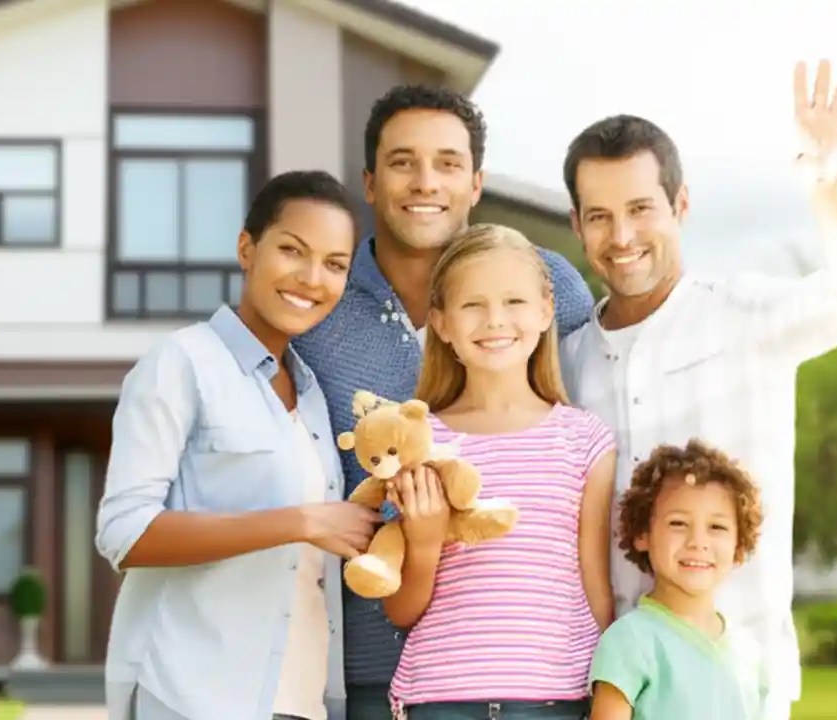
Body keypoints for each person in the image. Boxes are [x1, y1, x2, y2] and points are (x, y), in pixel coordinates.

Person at [559, 60, 837, 720]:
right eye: (600, 216)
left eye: (640, 209)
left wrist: (828, 187)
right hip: (608, 683)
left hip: (740, 684)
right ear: (576, 225)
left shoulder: (742, 314)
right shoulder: (566, 362)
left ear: (681, 205)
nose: (621, 237)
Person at [292, 84, 595, 719]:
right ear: (370, 182)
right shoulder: (320, 309)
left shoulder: (548, 286)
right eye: (403, 162)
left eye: (448, 163)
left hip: (530, 676)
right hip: (366, 676)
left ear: (476, 183)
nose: (425, 182)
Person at [95, 171, 381, 720]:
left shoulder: (312, 392)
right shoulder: (182, 363)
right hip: (191, 697)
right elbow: (124, 532)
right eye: (292, 250)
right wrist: (300, 521)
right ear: (247, 249)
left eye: (334, 264)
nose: (311, 278)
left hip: (301, 700)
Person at [379, 223, 616, 720]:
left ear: (546, 311)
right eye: (472, 305)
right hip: (439, 701)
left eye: (514, 302)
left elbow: (595, 586)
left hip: (553, 700)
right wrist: (425, 542)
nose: (495, 320)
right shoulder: (417, 443)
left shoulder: (584, 440)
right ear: (441, 323)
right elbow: (400, 611)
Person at [589, 441, 766, 720]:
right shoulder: (630, 641)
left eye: (717, 527)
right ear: (642, 534)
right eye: (678, 523)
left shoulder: (749, 653)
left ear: (739, 546)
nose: (698, 542)